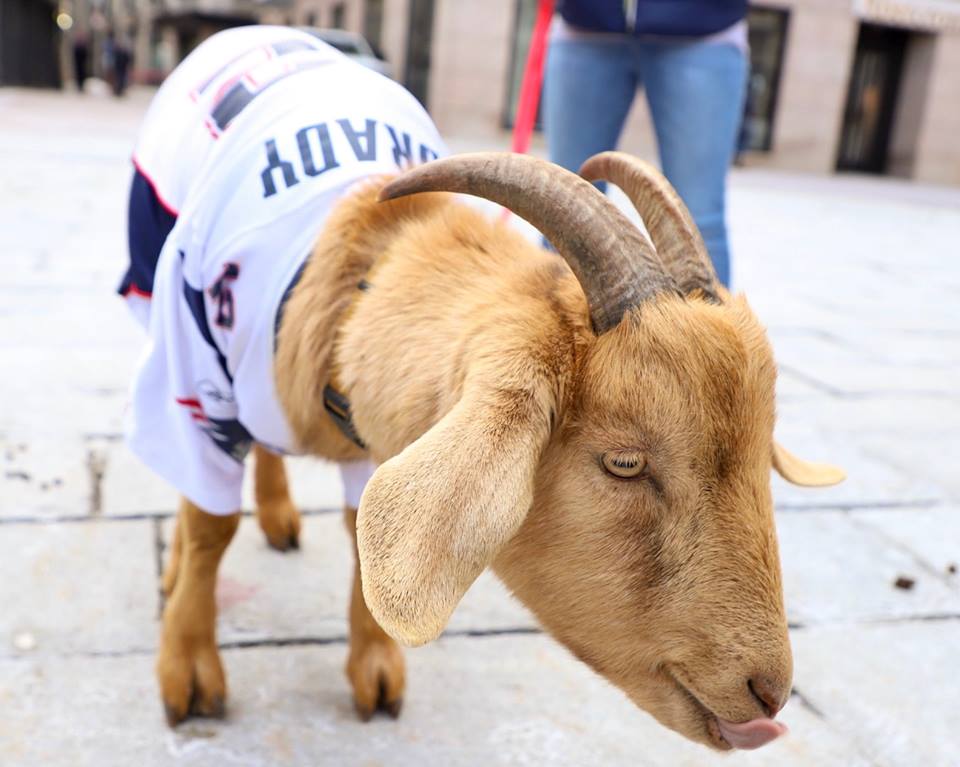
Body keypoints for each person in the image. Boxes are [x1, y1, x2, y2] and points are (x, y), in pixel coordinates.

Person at [544, 0, 748, 287]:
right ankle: (549, 329)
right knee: (561, 205)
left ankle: (706, 331)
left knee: (700, 221)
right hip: (586, 22)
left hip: (705, 27)